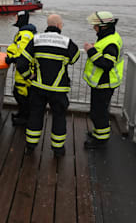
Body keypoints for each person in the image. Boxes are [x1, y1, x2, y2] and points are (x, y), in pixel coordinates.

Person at [17, 14, 80, 158]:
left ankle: (30, 146)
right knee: (59, 117)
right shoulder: (66, 42)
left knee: (35, 115)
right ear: (59, 26)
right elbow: (75, 58)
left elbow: (21, 63)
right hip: (58, 90)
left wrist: (29, 76)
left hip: (38, 87)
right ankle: (58, 150)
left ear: (48, 25)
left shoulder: (36, 39)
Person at [83, 11, 124, 149]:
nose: (94, 27)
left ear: (104, 26)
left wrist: (90, 51)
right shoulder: (109, 37)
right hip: (102, 83)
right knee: (98, 110)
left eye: (96, 25)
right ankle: (98, 133)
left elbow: (107, 64)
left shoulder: (110, 43)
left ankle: (101, 140)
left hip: (104, 83)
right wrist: (96, 49)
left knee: (99, 112)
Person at [5, 10, 37, 126]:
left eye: (17, 18)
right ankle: (22, 114)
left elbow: (23, 54)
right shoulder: (25, 33)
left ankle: (25, 118)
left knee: (21, 93)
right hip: (23, 69)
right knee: (20, 92)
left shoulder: (25, 34)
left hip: (24, 70)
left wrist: (11, 59)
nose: (15, 20)